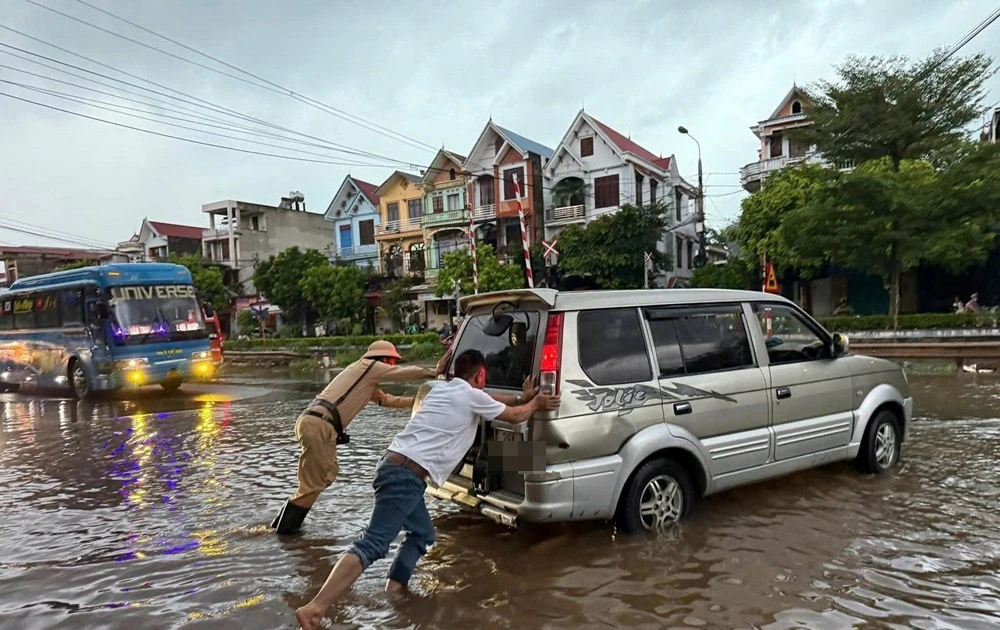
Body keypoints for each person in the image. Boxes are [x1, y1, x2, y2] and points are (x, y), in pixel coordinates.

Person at [294, 349, 560, 629]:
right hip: (406, 475)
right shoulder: (471, 397)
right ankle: (315, 608)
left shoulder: (442, 390)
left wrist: (521, 398)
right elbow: (516, 417)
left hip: (394, 466)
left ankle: (395, 590)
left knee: (422, 534)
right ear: (481, 374)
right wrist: (535, 403)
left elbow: (491, 399)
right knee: (373, 544)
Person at [270, 340, 453, 535]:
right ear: (382, 358)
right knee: (313, 484)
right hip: (319, 426)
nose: (392, 365)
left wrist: (421, 401)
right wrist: (433, 372)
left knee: (326, 475)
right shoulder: (369, 366)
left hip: (318, 426)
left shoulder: (366, 377)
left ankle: (280, 528)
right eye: (391, 361)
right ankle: (286, 532)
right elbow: (401, 373)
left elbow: (387, 400)